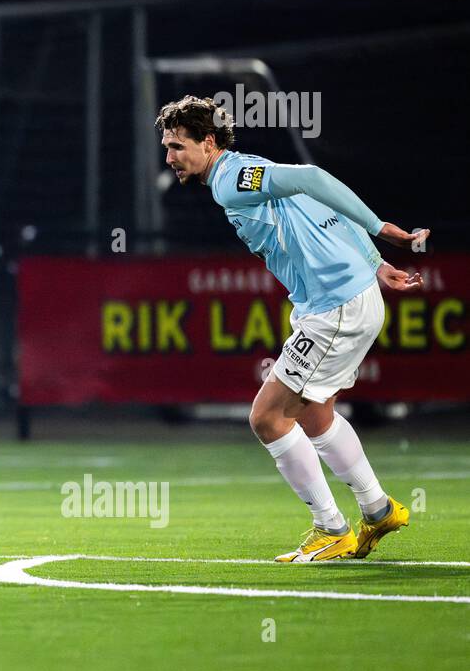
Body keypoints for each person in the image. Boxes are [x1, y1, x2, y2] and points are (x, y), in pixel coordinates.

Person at [157, 94, 427, 562]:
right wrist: (375, 261)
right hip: (344, 297)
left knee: (266, 417)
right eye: (167, 147)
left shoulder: (232, 180)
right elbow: (313, 200)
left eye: (178, 146)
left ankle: (331, 527)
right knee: (315, 415)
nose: (169, 158)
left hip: (336, 306)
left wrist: (378, 228)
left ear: (208, 142)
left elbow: (312, 178)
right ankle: (378, 509)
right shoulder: (246, 168)